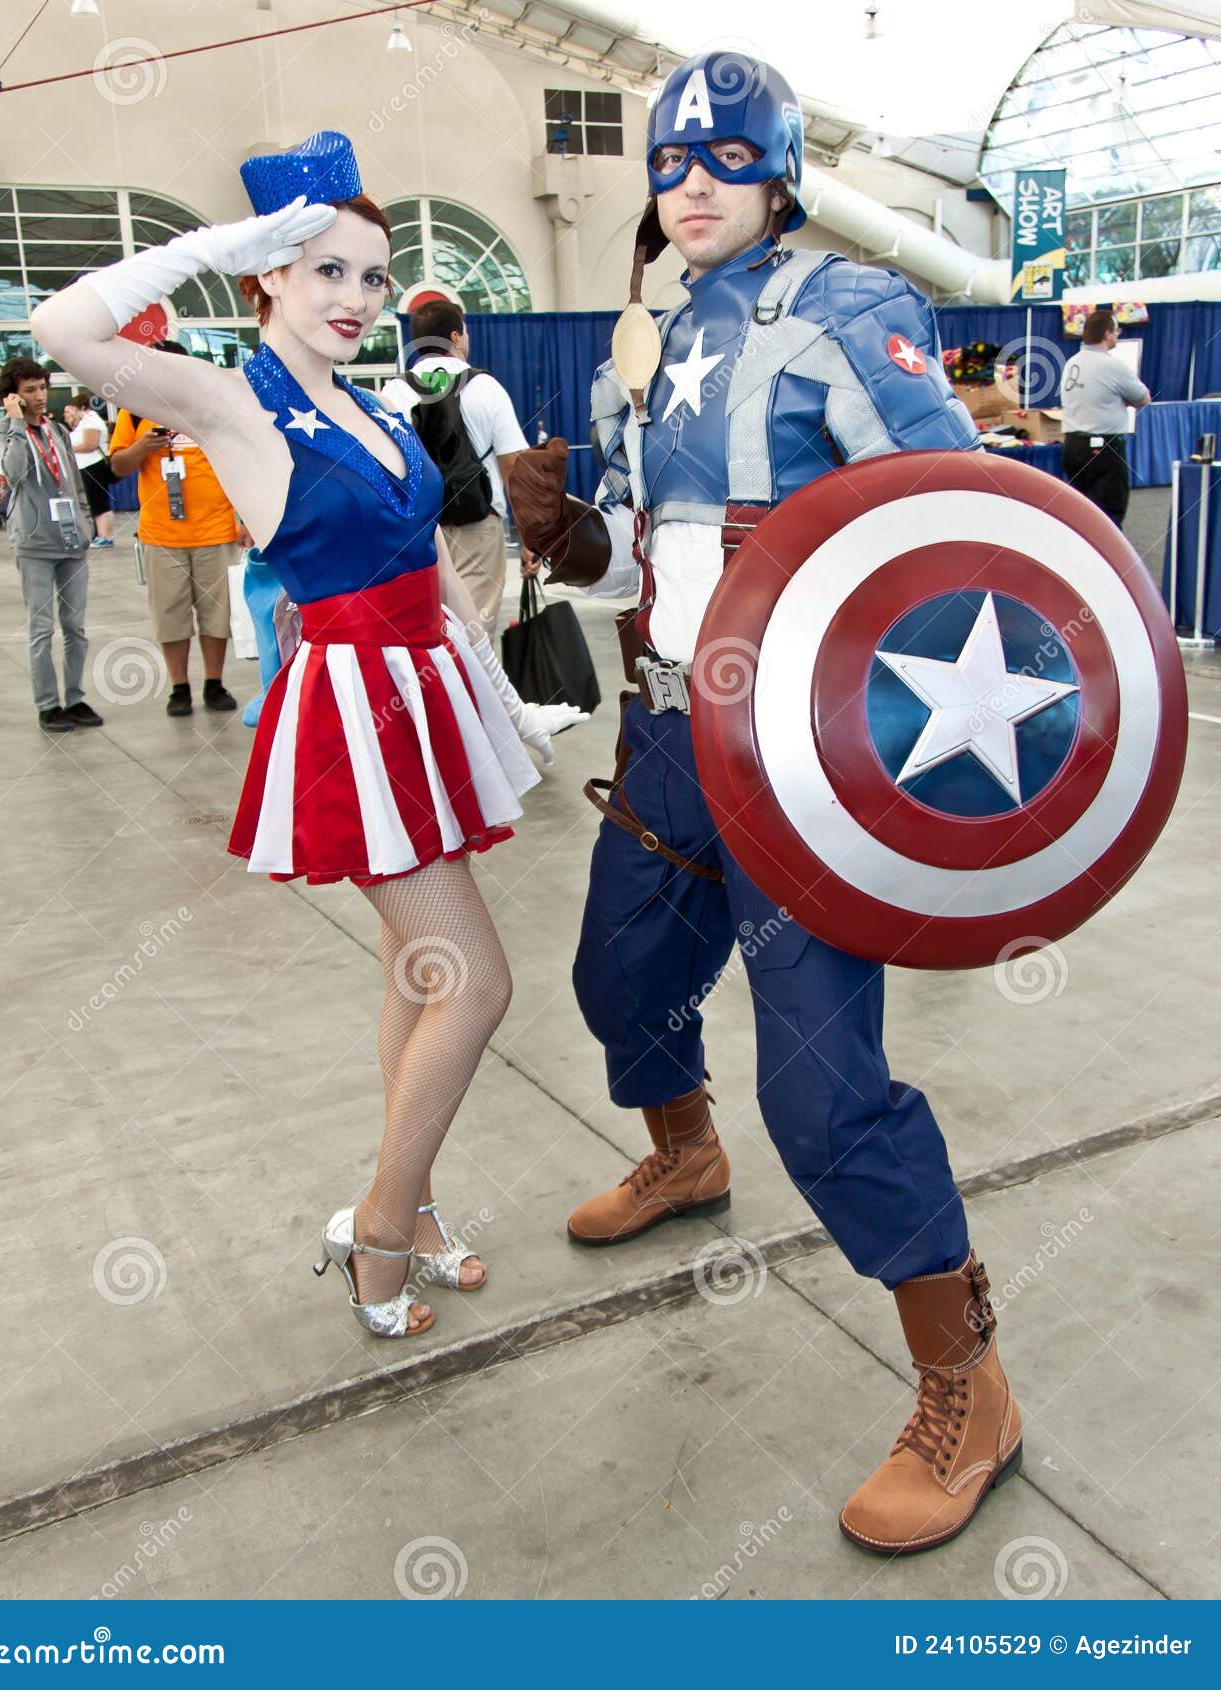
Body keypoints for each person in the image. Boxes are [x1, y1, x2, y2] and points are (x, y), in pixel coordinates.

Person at [506, 51, 1020, 1557]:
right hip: (670, 736)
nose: (695, 182)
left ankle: (965, 1382)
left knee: (822, 1090)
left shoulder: (853, 311)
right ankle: (684, 1147)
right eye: (673, 163)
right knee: (619, 978)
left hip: (796, 761)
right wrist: (573, 536)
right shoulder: (640, 349)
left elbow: (959, 534)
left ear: (781, 171)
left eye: (728, 157)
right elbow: (646, 571)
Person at [31, 130, 583, 1341]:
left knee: (414, 968)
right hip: (353, 717)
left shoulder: (375, 401)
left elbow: (422, 542)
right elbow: (66, 332)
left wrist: (479, 655)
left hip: (428, 701)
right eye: (322, 268)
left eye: (371, 276)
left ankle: (413, 1207)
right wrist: (214, 245)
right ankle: (378, 1229)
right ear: (270, 273)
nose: (353, 297)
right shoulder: (231, 401)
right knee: (477, 981)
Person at [381, 299, 531, 637]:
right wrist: (530, 538)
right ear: (455, 336)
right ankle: (473, 688)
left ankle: (432, 689)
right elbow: (516, 470)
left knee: (424, 632)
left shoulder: (393, 394)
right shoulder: (485, 387)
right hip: (478, 524)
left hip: (417, 531)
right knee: (474, 631)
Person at [108, 342, 241, 717]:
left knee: (217, 613)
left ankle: (214, 683)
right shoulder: (135, 411)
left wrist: (242, 518)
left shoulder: (209, 406)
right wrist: (143, 447)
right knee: (170, 615)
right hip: (161, 534)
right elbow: (118, 466)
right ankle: (178, 687)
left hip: (215, 528)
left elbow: (235, 462)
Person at [0, 358, 103, 733]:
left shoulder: (57, 430)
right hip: (34, 544)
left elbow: (73, 480)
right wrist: (17, 424)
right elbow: (15, 472)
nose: (39, 396)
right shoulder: (9, 431)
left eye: (42, 388)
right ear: (13, 397)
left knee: (75, 626)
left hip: (71, 541)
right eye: (30, 391)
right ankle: (47, 703)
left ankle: (74, 697)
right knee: (41, 628)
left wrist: (86, 522)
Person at [1060, 308, 1151, 529]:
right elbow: (1143, 398)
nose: (1117, 335)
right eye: (1116, 330)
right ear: (1108, 334)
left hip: (1073, 446)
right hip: (1104, 449)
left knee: (1080, 512)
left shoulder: (1072, 362)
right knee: (1109, 515)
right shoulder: (1113, 365)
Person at [63, 391, 115, 548]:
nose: (67, 415)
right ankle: (99, 533)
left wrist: (68, 449)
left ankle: (105, 535)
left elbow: (90, 444)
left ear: (80, 408)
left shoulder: (91, 420)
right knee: (93, 502)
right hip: (86, 466)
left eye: (69, 410)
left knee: (99, 502)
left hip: (95, 466)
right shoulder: (84, 422)